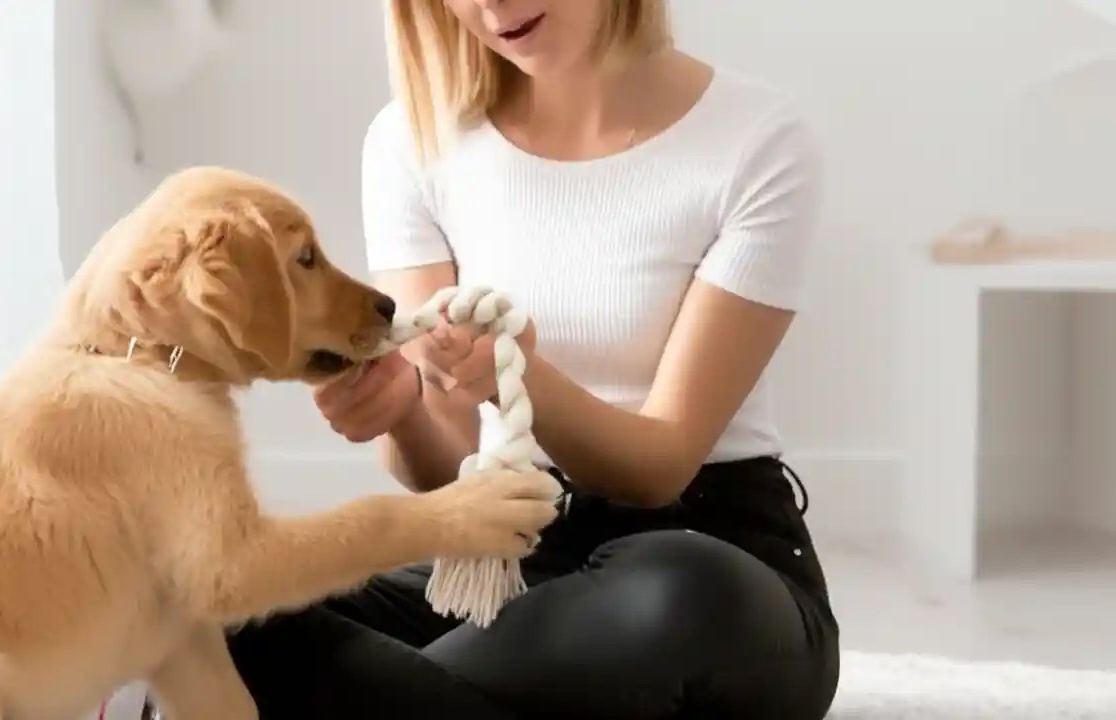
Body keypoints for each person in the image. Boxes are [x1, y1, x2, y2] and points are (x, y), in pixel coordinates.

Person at [224, 1, 840, 717]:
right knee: (234, 607)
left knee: (677, 585)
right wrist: (405, 416)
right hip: (507, 565)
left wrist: (520, 376)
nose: (490, 6)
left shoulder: (760, 140)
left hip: (711, 560)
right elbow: (447, 470)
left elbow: (660, 466)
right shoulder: (411, 141)